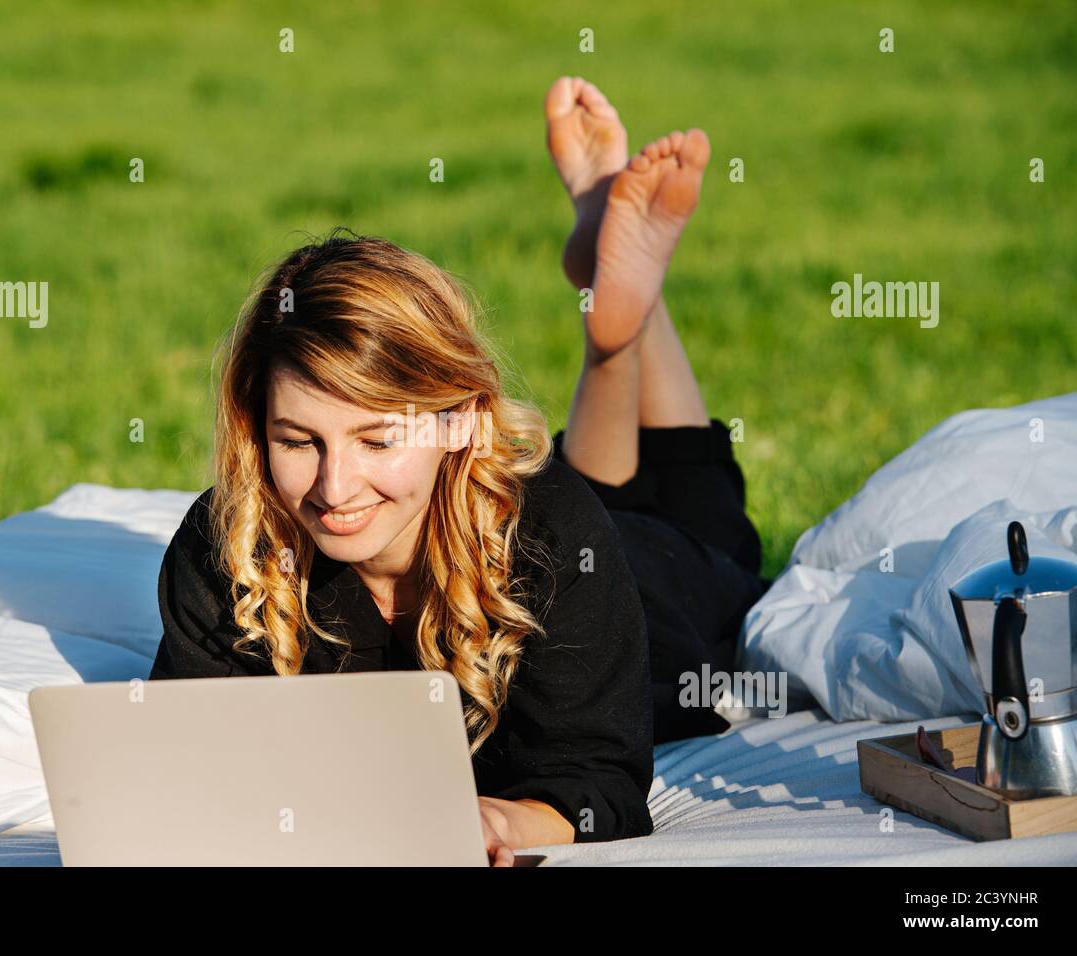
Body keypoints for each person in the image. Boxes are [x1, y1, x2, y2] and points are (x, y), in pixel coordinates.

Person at [149, 76, 770, 866]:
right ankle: (612, 311)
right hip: (544, 511)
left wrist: (507, 822)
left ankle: (626, 321)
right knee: (585, 494)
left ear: (460, 421)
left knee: (705, 533)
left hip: (639, 583)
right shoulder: (227, 540)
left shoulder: (551, 537)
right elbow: (182, 755)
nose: (333, 489)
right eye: (299, 442)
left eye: (377, 441)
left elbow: (600, 780)